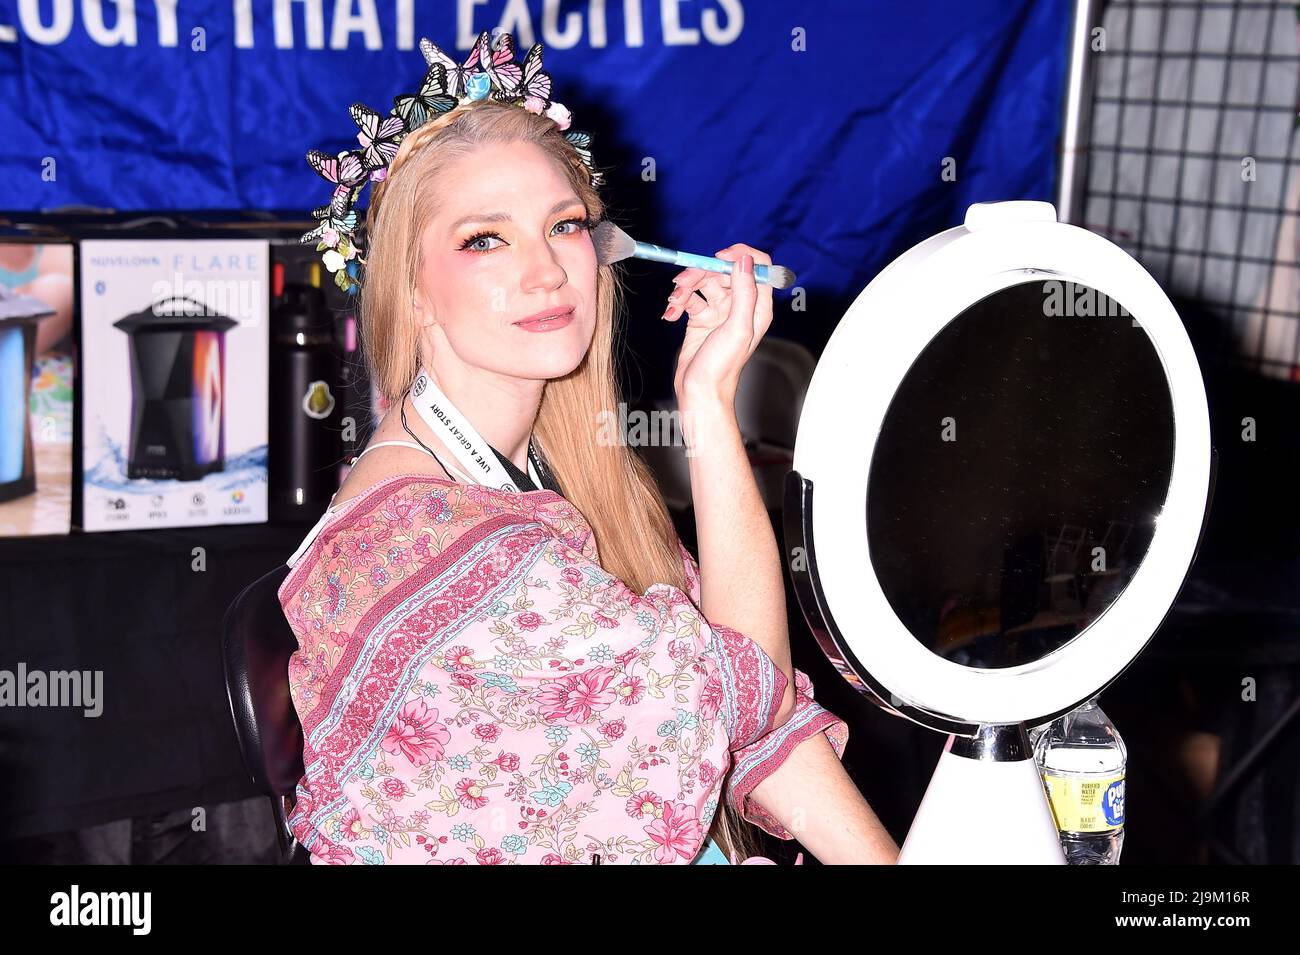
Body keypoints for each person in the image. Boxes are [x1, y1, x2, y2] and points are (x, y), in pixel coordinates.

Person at [280, 31, 897, 865]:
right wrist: (709, 404)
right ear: (412, 293)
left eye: (564, 225)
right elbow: (736, 687)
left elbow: (766, 726)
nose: (545, 271)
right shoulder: (418, 541)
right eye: (485, 239)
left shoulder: (547, 479)